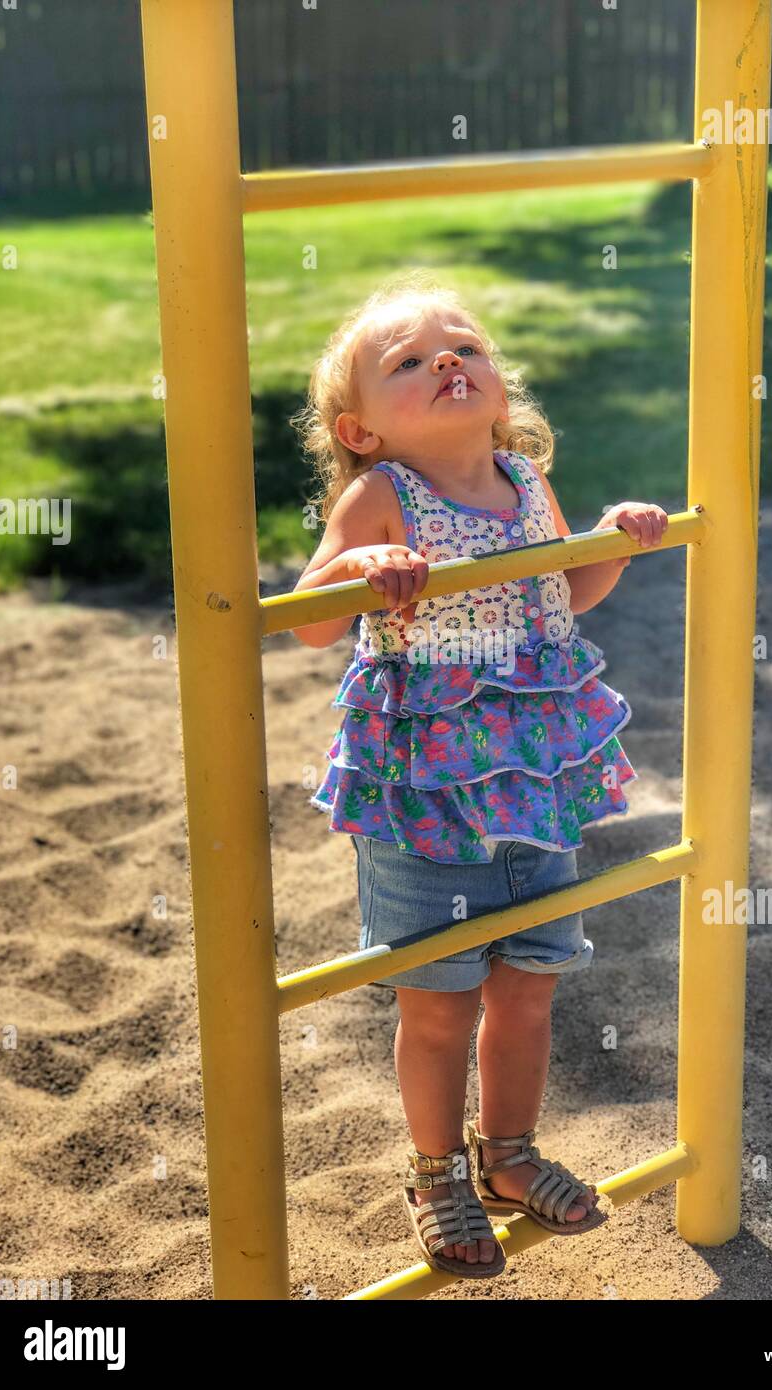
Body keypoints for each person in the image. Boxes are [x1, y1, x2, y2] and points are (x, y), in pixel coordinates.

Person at [289, 270, 668, 1278]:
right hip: (427, 797)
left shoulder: (526, 483)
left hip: (537, 778)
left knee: (530, 982)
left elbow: (563, 594)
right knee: (442, 997)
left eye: (464, 346)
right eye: (408, 361)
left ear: (500, 387)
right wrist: (354, 571)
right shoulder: (381, 497)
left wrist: (614, 544)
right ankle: (433, 1172)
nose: (448, 359)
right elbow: (312, 621)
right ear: (360, 427)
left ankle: (506, 1153)